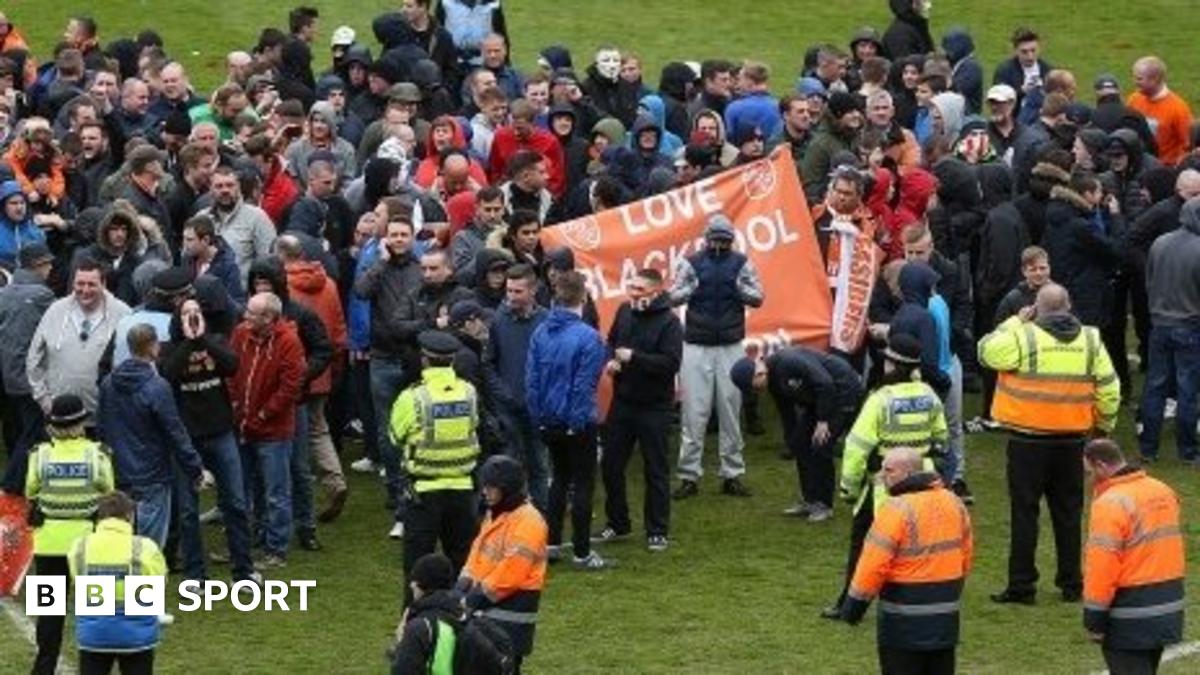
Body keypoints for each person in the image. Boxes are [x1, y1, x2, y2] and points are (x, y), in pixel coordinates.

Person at [979, 283, 1120, 605]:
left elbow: (985, 351)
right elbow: (1110, 388)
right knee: (1070, 514)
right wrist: (1103, 427)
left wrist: (1015, 320)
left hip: (1027, 442)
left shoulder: (1022, 335)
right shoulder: (1091, 339)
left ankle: (1021, 586)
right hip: (1072, 442)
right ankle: (1072, 584)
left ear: (1036, 309)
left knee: (1024, 513)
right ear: (1069, 306)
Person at [824, 333, 948, 619]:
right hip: (925, 478)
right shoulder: (929, 395)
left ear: (891, 363)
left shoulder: (880, 399)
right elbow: (942, 437)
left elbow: (856, 448)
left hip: (885, 483)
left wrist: (848, 489)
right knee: (920, 544)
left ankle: (849, 602)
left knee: (866, 545)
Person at [840, 447, 973, 675]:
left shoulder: (895, 509)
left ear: (908, 474)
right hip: (944, 620)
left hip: (902, 624)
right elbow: (965, 555)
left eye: (889, 470)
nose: (881, 476)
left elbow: (872, 565)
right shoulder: (955, 503)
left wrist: (853, 607)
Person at [160, 298, 256, 583]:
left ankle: (244, 570)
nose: (191, 318)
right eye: (186, 314)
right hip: (187, 441)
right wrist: (190, 343)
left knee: (236, 504)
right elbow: (168, 374)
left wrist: (203, 340)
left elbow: (231, 365)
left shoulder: (216, 342)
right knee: (189, 513)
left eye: (196, 313)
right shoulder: (171, 349)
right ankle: (195, 576)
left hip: (221, 433)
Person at [670, 215, 764, 500]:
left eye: (723, 239)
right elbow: (674, 296)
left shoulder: (741, 263)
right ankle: (689, 475)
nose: (719, 244)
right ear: (706, 237)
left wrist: (738, 289)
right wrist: (692, 287)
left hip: (730, 344)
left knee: (730, 409)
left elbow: (758, 296)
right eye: (715, 238)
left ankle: (732, 473)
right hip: (696, 344)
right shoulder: (690, 262)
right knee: (694, 413)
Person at [24, 393, 115, 675]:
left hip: (48, 544)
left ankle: (44, 668)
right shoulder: (97, 454)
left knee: (49, 614)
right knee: (95, 610)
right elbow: (109, 492)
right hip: (88, 545)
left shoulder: (40, 455)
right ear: (83, 422)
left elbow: (30, 491)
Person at [390, 330, 481, 601]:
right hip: (463, 489)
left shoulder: (413, 397)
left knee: (417, 567)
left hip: (424, 491)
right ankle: (462, 618)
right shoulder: (468, 392)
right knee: (463, 562)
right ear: (452, 360)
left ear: (424, 360)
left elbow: (395, 436)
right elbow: (474, 427)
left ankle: (413, 624)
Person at [595, 268, 682, 551]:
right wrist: (611, 361)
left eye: (639, 290)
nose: (633, 294)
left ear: (656, 291)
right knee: (610, 465)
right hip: (623, 402)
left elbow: (670, 364)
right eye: (630, 287)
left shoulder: (669, 322)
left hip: (655, 407)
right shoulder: (624, 311)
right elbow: (611, 342)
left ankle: (657, 529)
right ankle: (617, 522)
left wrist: (635, 358)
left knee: (655, 469)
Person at [1081, 439, 1185, 675]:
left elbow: (1102, 567)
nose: (1087, 479)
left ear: (1100, 466)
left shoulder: (1110, 503)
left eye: (1088, 472)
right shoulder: (1162, 490)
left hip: (1130, 613)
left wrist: (1094, 618)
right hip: (1168, 605)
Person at [97, 323, 204, 550]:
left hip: (120, 469)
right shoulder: (157, 387)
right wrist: (195, 468)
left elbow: (102, 427)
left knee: (119, 537)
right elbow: (175, 431)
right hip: (153, 472)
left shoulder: (108, 383)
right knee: (149, 546)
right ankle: (146, 583)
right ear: (153, 347)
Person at [526, 271, 607, 569]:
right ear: (583, 297)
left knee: (558, 479)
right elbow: (584, 385)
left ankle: (552, 544)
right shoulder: (589, 337)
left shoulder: (540, 332)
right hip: (577, 421)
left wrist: (538, 417)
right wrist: (577, 421)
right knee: (583, 483)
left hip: (548, 419)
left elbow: (532, 380)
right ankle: (582, 552)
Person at [730, 345, 863, 522]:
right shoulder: (773, 381)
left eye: (755, 388)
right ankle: (809, 500)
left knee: (820, 446)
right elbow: (785, 410)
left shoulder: (788, 363)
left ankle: (824, 504)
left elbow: (825, 383)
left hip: (842, 391)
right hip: (818, 399)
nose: (756, 392)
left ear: (758, 374)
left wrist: (823, 421)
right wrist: (791, 437)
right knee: (800, 443)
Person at [353, 215, 423, 538]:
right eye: (393, 235)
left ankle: (414, 494)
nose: (398, 240)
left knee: (417, 430)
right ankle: (396, 496)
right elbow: (361, 290)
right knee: (387, 432)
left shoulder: (422, 266)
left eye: (403, 234)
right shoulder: (378, 267)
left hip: (413, 356)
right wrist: (380, 263)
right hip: (382, 357)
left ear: (412, 237)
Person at [229, 292, 307, 568]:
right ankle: (248, 542)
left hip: (274, 431)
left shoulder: (288, 342)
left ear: (269, 317)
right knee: (246, 489)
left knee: (276, 492)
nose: (246, 318)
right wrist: (237, 406)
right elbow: (232, 370)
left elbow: (289, 388)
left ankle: (276, 549)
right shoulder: (241, 334)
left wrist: (262, 414)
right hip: (244, 425)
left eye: (252, 314)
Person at [458, 456, 547, 675]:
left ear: (506, 489)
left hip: (509, 612)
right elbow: (477, 551)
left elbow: (512, 572)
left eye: (490, 487)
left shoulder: (528, 521)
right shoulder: (497, 513)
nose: (485, 491)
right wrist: (463, 582)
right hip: (489, 607)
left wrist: (473, 597)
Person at [68, 491, 168, 675]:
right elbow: (158, 583)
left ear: (99, 516)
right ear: (130, 515)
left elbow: (77, 578)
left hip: (94, 634)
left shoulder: (79, 547)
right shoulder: (145, 547)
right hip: (137, 637)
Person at [26, 258, 131, 423]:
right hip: (60, 418)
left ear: (103, 284)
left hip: (107, 418)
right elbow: (34, 358)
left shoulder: (123, 314)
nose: (85, 290)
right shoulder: (56, 310)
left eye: (91, 284)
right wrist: (43, 399)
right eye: (80, 284)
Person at [1139, 197, 1200, 463]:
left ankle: (1148, 448)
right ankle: (1187, 451)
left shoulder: (1159, 243)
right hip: (1189, 325)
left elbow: (1149, 281)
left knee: (1155, 386)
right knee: (1188, 389)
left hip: (1160, 324)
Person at [484, 264, 548, 511]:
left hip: (536, 408)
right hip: (507, 409)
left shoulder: (546, 321)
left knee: (538, 464)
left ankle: (540, 516)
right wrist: (504, 395)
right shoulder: (498, 320)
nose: (511, 296)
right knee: (507, 466)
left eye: (517, 291)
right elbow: (488, 363)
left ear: (533, 291)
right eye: (509, 290)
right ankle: (505, 516)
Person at [0, 243, 54, 494]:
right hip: (29, 377)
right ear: (39, 266)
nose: (51, 268)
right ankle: (11, 484)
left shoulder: (5, 292)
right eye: (48, 264)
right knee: (33, 432)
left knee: (17, 429)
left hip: (7, 375)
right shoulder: (42, 296)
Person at [1127, 56, 1193, 165]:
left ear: (1155, 79)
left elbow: (1188, 144)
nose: (1135, 82)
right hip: (1137, 165)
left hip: (1165, 168)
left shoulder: (1178, 108)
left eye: (1139, 79)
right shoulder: (1134, 99)